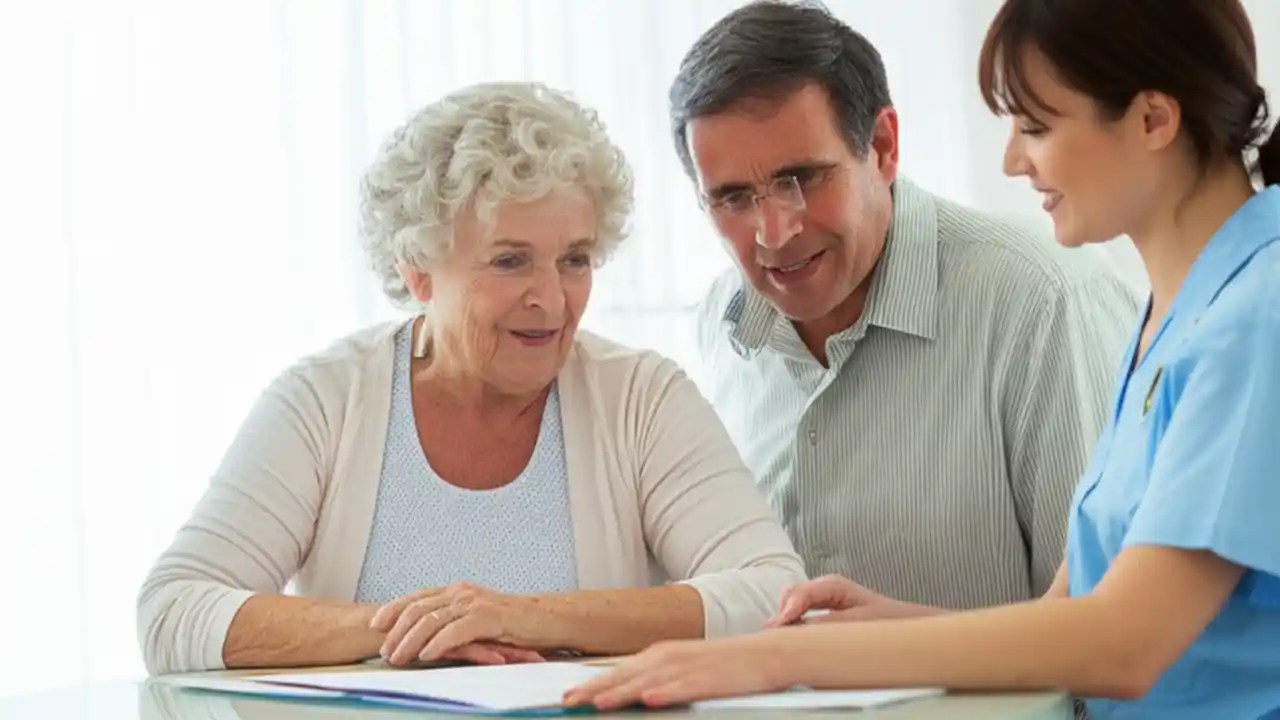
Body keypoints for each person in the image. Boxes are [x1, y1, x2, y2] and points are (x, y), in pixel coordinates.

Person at [565, 0, 1280, 717]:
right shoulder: (1182, 310)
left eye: (1036, 126)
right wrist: (898, 629)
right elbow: (1077, 613)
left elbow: (1123, 645)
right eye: (732, 196)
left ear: (1154, 119)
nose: (1011, 160)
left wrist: (769, 656)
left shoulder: (1255, 315)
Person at [136, 81, 806, 676]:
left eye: (574, 259)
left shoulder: (641, 398)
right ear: (418, 270)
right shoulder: (325, 400)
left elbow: (768, 591)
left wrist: (526, 616)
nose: (553, 297)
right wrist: (410, 628)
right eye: (511, 261)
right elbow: (174, 610)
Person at [671, 0, 1137, 610]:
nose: (773, 232)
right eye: (733, 198)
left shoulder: (1044, 301)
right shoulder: (719, 323)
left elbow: (1109, 631)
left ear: (884, 146)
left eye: (802, 179)